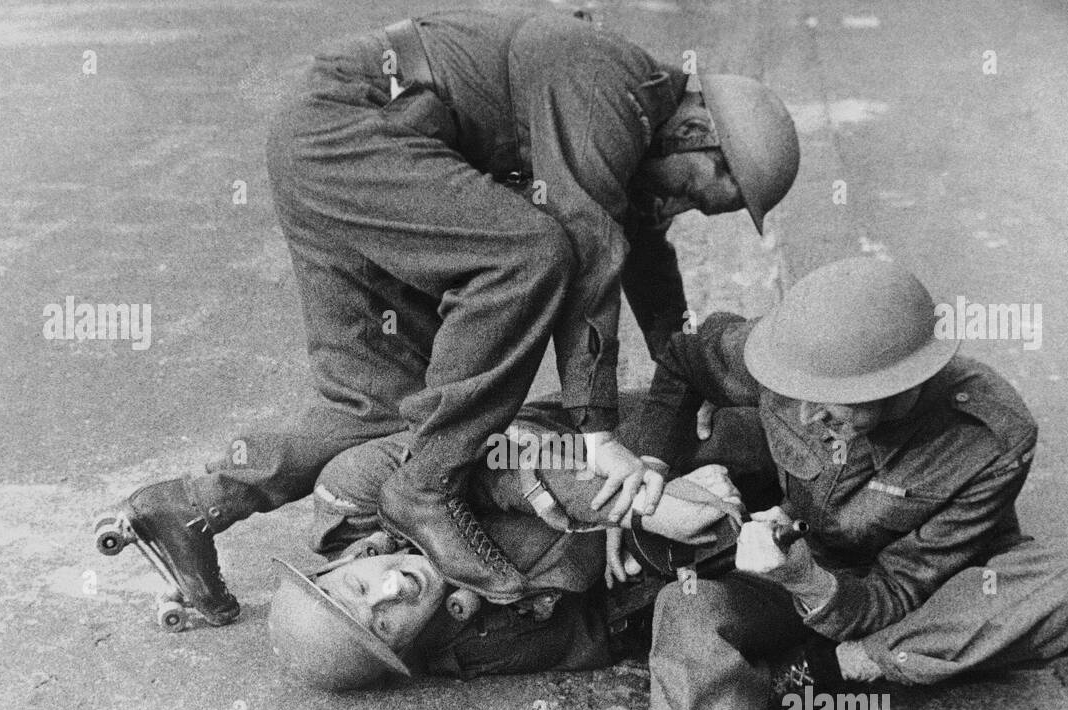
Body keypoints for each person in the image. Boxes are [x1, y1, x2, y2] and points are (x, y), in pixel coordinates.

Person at [110, 7, 800, 625]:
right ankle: (426, 489)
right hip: (354, 127)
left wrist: (682, 358)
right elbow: (589, 240)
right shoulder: (612, 84)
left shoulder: (638, 120)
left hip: (329, 145)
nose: (683, 211)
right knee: (530, 255)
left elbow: (639, 242)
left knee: (385, 407)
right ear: (697, 130)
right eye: (703, 196)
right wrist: (595, 434)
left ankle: (192, 505)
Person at [632, 257, 1068, 710]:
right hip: (799, 564)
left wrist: (806, 580)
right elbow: (684, 354)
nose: (807, 418)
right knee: (688, 603)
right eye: (798, 400)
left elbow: (900, 590)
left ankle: (815, 679)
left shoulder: (990, 435)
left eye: (833, 413)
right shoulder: (790, 359)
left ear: (902, 388)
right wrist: (652, 469)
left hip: (917, 600)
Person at [267, 400, 747, 689]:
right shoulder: (462, 648)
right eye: (385, 624)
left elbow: (497, 457)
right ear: (403, 648)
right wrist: (661, 560)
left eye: (359, 586)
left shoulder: (350, 492)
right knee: (774, 545)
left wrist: (633, 505)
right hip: (651, 541)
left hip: (599, 446)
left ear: (341, 563)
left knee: (748, 427)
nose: (392, 591)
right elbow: (598, 631)